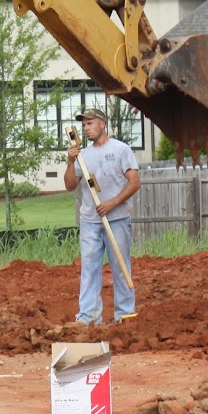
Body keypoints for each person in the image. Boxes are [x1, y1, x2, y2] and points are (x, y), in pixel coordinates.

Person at [64, 107, 140, 326]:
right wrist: (70, 162)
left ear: (102, 123)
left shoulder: (120, 150)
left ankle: (124, 314)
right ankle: (88, 316)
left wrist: (112, 203)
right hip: (90, 221)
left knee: (120, 265)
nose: (86, 128)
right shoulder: (82, 156)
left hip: (117, 219)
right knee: (89, 268)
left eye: (90, 123)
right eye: (84, 125)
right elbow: (70, 185)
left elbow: (134, 182)